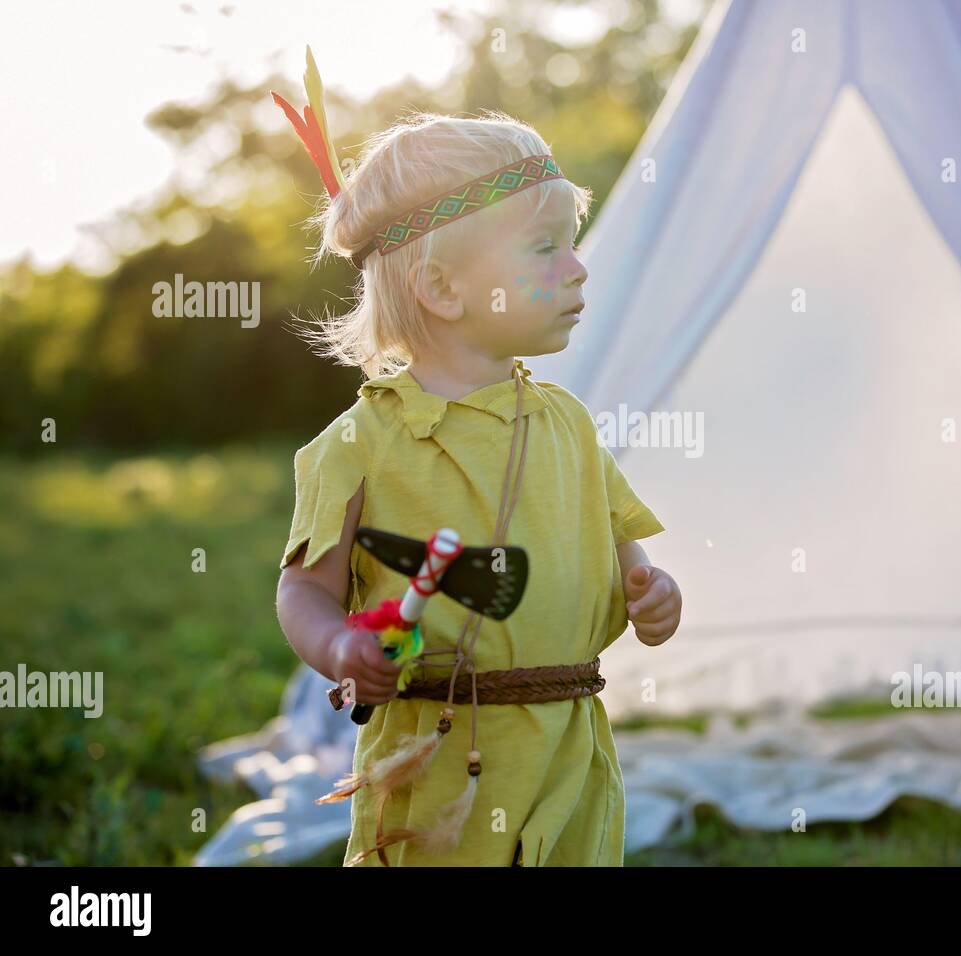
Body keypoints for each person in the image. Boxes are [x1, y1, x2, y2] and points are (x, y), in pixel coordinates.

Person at [271, 53, 682, 866]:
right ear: (443, 289)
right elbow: (302, 590)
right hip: (438, 752)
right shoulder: (356, 446)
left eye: (571, 243)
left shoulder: (565, 422)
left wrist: (651, 593)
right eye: (544, 249)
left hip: (566, 744)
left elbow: (620, 554)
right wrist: (339, 646)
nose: (578, 266)